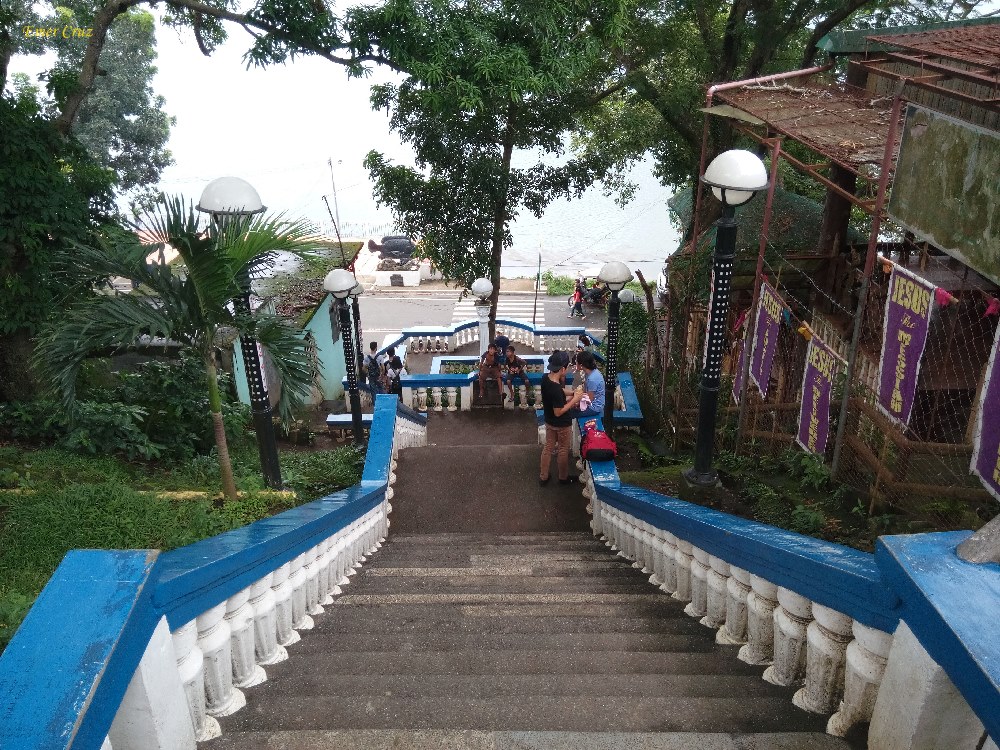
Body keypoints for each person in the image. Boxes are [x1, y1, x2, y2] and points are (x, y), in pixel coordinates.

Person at [539, 351, 584, 486]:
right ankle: (563, 478)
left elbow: (560, 390)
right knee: (563, 449)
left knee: (548, 447)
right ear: (563, 369)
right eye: (568, 366)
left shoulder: (546, 378)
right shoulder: (555, 389)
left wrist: (572, 393)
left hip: (549, 421)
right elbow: (559, 412)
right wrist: (575, 399)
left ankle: (543, 477)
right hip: (561, 423)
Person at [567, 351, 605, 418]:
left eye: (576, 362)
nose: (575, 364)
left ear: (581, 365)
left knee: (568, 413)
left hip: (594, 408)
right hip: (590, 400)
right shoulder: (590, 372)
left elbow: (589, 400)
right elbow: (584, 389)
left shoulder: (592, 379)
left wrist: (574, 403)